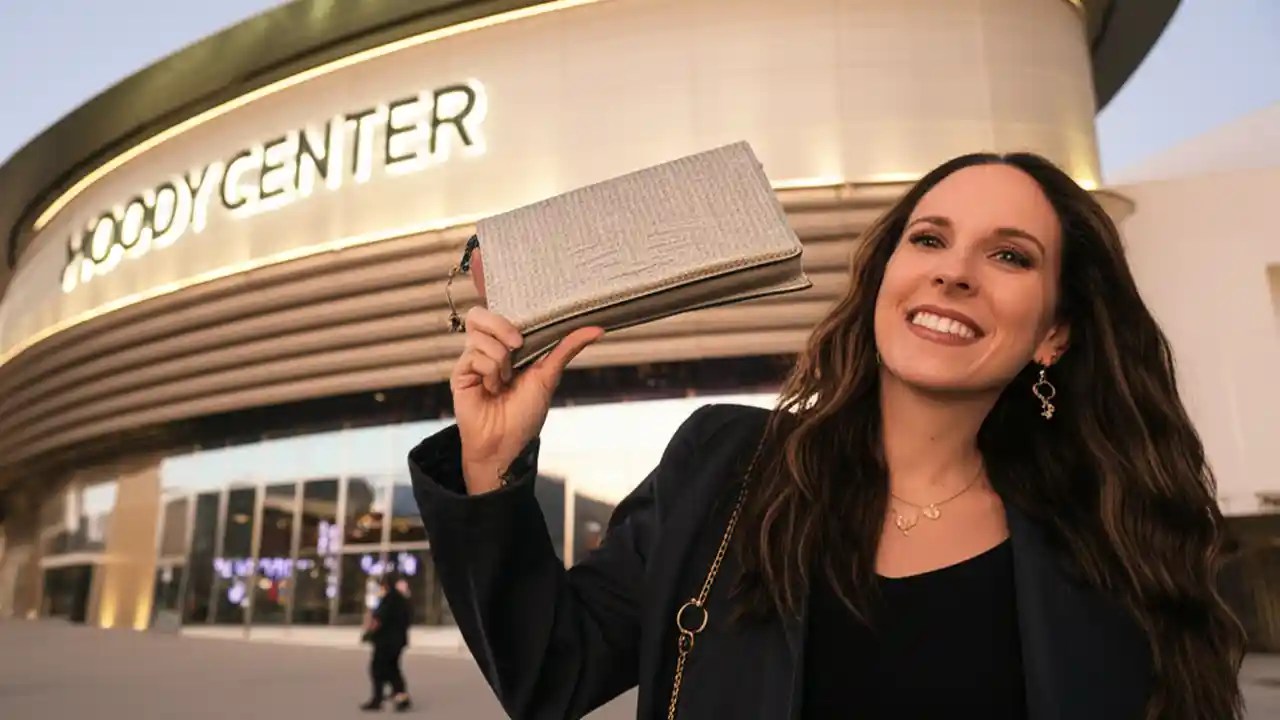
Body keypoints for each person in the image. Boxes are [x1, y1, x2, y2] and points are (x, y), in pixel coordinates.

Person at [409, 153, 1245, 719]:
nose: (953, 270)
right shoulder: (724, 470)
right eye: (929, 239)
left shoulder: (1113, 549)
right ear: (887, 275)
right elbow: (548, 670)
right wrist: (490, 462)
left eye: (1011, 257)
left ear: (1054, 334)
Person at [360, 572, 413, 712]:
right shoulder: (402, 600)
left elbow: (378, 619)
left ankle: (377, 699)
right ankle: (402, 698)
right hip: (399, 640)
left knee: (377, 669)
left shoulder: (388, 599)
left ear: (385, 585)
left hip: (385, 641)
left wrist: (368, 633)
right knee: (393, 669)